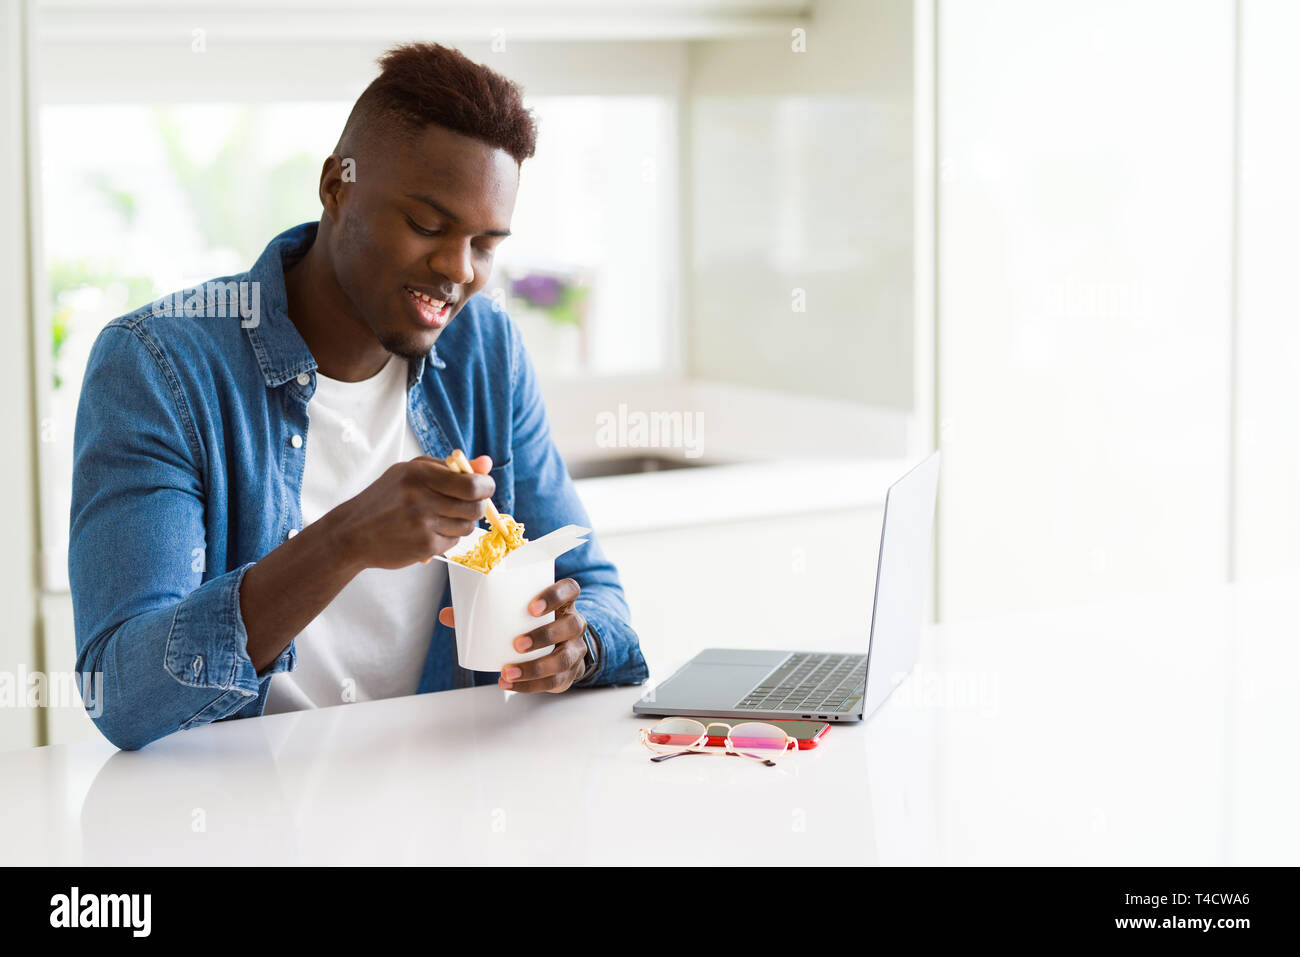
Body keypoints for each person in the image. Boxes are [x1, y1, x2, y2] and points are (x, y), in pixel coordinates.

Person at [68, 43, 648, 750]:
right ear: (336, 187)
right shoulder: (160, 366)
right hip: (234, 818)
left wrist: (573, 643)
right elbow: (122, 691)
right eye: (429, 226)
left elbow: (592, 586)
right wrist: (344, 541)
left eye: (486, 243)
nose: (458, 269)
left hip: (440, 800)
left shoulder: (486, 352)